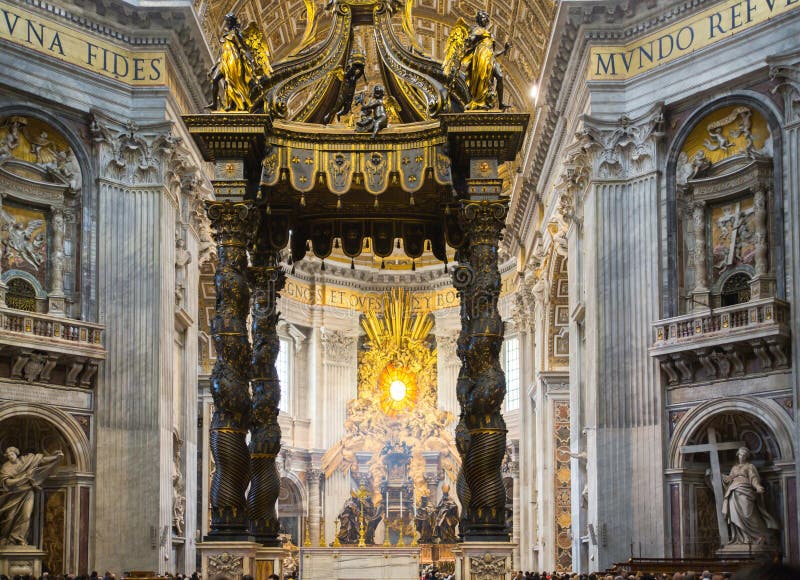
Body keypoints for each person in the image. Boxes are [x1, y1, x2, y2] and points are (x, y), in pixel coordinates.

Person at [0, 447, 63, 545]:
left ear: (16, 453)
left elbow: (41, 460)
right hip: (13, 494)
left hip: (28, 492)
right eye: (8, 455)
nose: (10, 457)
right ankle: (4, 538)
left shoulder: (26, 460)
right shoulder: (6, 467)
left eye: (12, 454)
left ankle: (18, 538)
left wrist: (55, 457)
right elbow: (7, 482)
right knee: (10, 517)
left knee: (26, 515)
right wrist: (22, 478)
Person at [721, 446, 779, 546]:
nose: (741, 456)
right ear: (737, 455)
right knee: (735, 515)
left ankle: (759, 535)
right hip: (733, 492)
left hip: (745, 491)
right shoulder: (734, 467)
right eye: (740, 454)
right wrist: (719, 475)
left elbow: (754, 478)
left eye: (743, 454)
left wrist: (758, 487)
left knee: (748, 513)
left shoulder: (750, 466)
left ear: (746, 456)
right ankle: (741, 538)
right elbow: (729, 478)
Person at [461, 10, 512, 110]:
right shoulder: (476, 29)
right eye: (483, 17)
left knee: (500, 76)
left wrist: (504, 50)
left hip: (490, 58)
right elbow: (470, 41)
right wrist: (470, 39)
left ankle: (500, 103)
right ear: (479, 19)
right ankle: (478, 100)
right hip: (480, 56)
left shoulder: (490, 35)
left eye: (486, 17)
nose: (485, 19)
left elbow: (493, 53)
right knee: (481, 79)